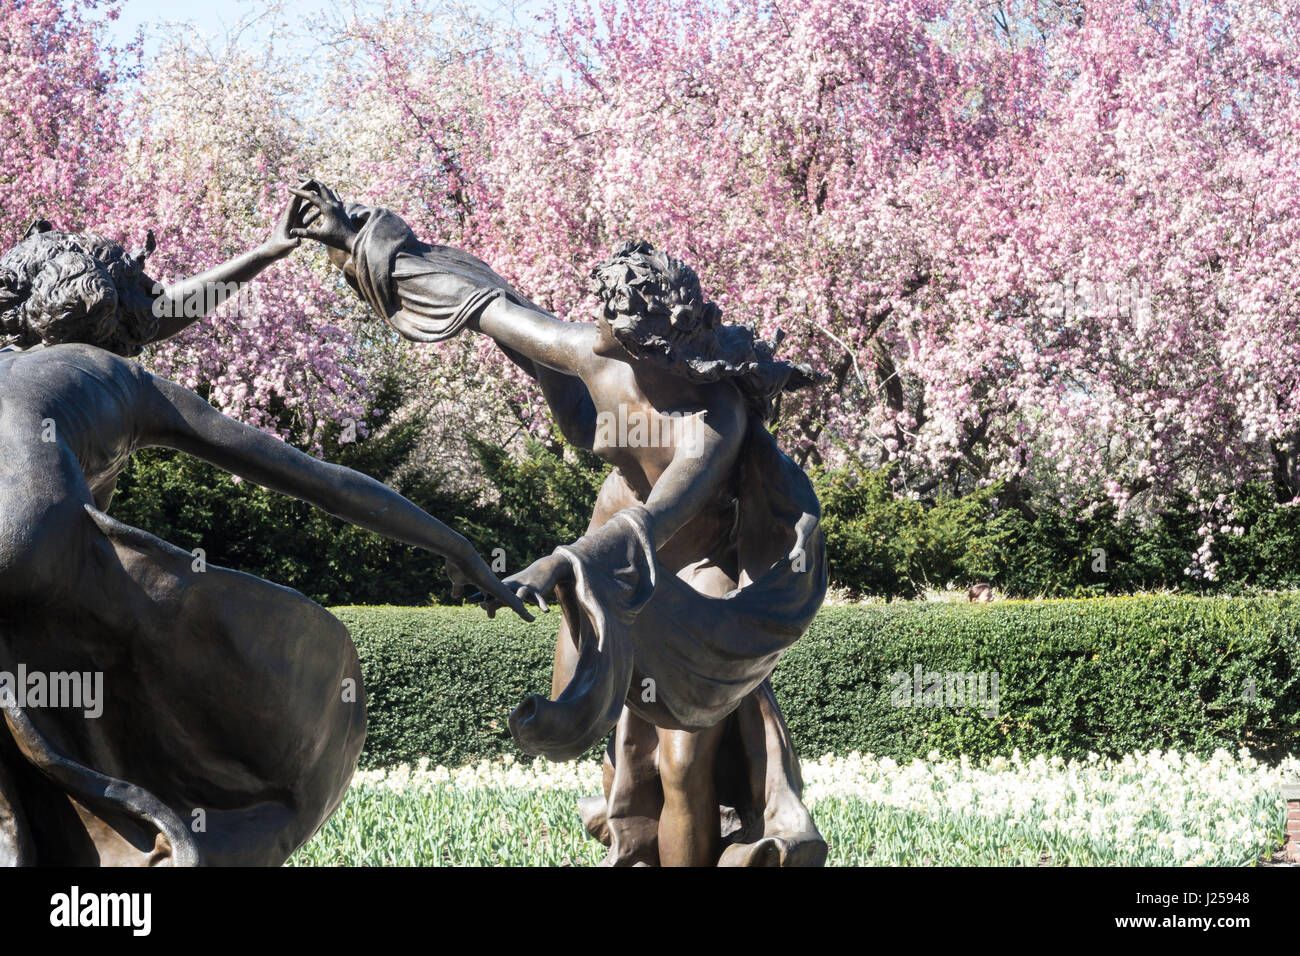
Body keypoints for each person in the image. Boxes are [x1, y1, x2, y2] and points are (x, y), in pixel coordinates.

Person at [291, 182, 830, 866]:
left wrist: (563, 561)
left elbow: (657, 518)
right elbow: (487, 306)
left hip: (695, 575)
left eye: (613, 322)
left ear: (653, 346)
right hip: (609, 563)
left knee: (684, 758)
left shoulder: (715, 420)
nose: (595, 328)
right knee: (618, 744)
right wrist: (356, 242)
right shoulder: (592, 352)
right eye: (600, 318)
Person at [0, 203, 530, 866]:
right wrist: (457, 547)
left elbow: (152, 314)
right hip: (34, 549)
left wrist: (266, 252)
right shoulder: (121, 379)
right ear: (115, 320)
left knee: (38, 743)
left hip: (29, 556)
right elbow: (322, 481)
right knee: (245, 779)